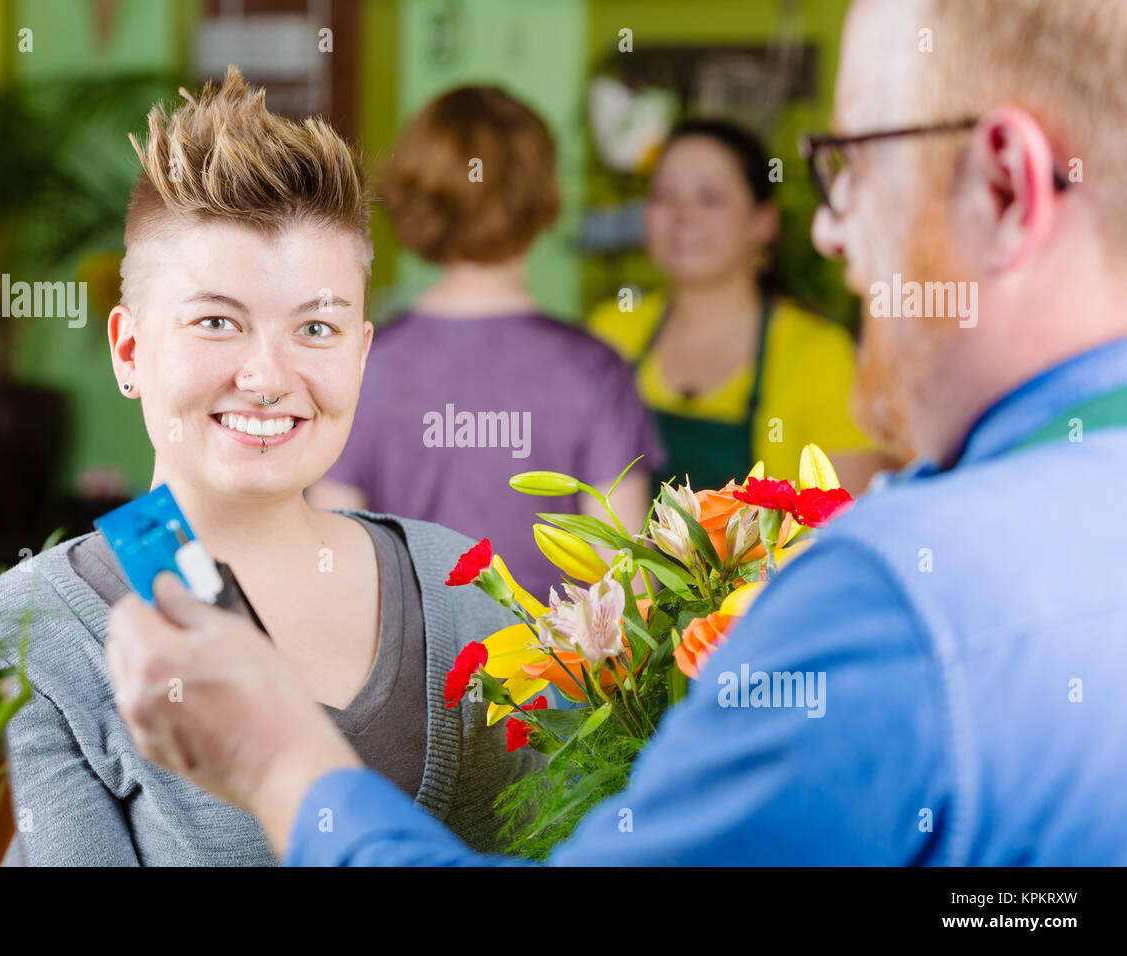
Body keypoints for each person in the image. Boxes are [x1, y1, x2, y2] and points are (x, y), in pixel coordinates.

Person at [106, 0, 1127, 865]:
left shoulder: (896, 603)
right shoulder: (605, 361)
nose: (828, 227)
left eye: (849, 164)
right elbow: (619, 572)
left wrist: (280, 755)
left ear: (1004, 186)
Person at [0, 67, 539, 865]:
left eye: (317, 330)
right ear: (129, 350)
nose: (267, 376)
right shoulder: (24, 637)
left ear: (363, 355)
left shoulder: (462, 589)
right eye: (218, 322)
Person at [305, 86, 664, 602]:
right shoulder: (595, 371)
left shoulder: (366, 364)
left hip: (412, 677)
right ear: (544, 200)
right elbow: (629, 589)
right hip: (558, 682)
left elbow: (335, 569)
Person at [588, 119, 896, 495]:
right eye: (664, 195)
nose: (683, 215)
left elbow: (847, 528)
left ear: (762, 222)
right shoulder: (609, 333)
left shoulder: (821, 356)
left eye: (709, 197)